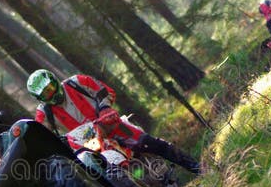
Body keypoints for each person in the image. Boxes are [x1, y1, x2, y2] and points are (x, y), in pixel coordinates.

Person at [26, 69, 201, 174]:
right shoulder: (43, 113)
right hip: (87, 147)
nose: (50, 93)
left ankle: (195, 166)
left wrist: (104, 107)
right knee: (100, 178)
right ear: (39, 98)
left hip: (110, 125)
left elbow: (103, 90)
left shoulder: (77, 82)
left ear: (54, 81)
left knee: (148, 142)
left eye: (50, 88)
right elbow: (42, 134)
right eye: (45, 93)